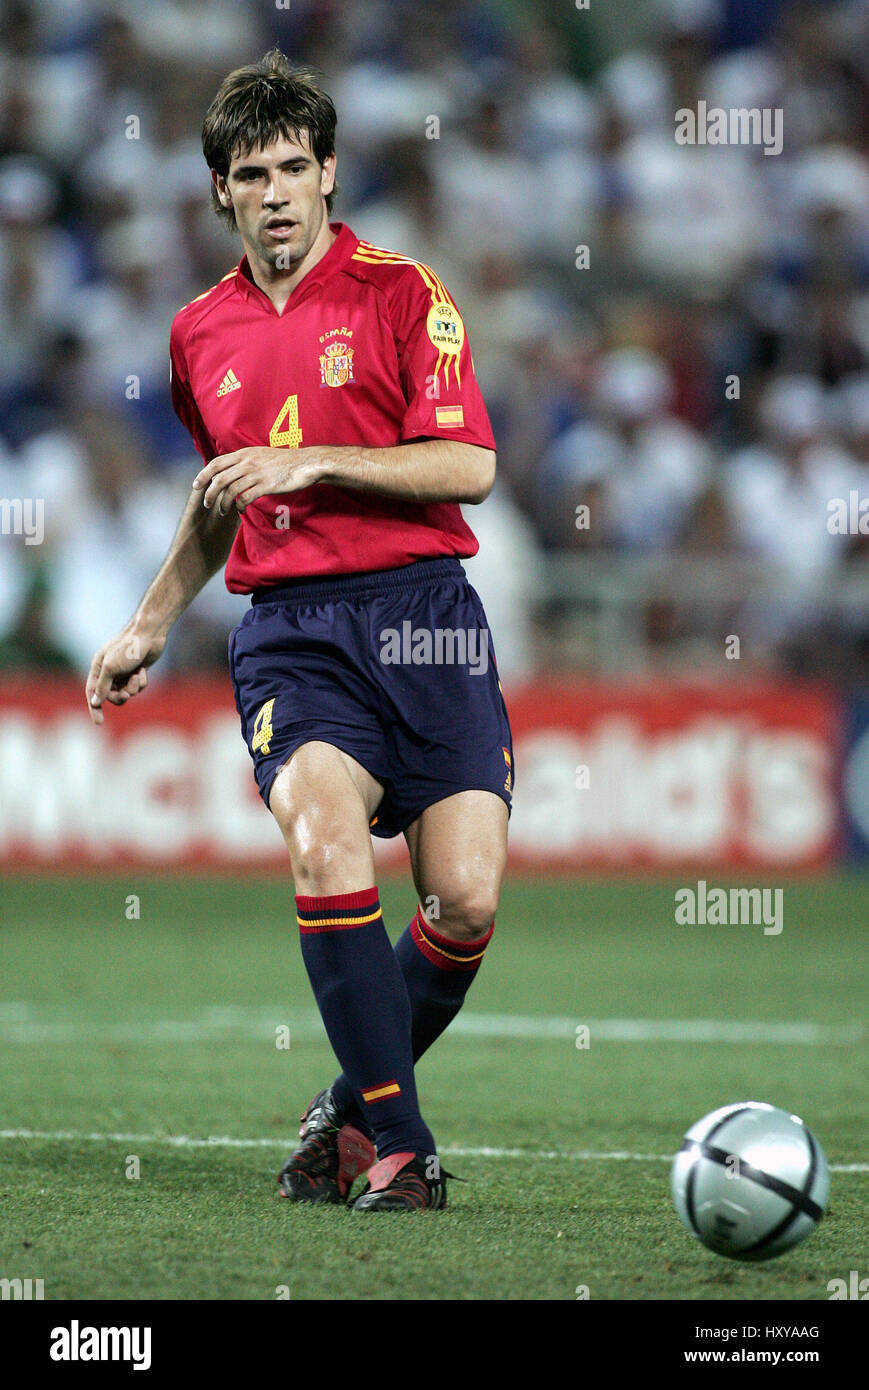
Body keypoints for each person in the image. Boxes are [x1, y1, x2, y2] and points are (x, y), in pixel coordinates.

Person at [85, 50, 513, 1213]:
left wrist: (316, 457)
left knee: (462, 902)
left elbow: (469, 464)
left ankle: (346, 1106)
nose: (273, 192)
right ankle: (404, 1148)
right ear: (219, 192)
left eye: (290, 167)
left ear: (328, 171)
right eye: (247, 174)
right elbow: (218, 499)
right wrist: (147, 624)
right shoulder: (197, 334)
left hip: (425, 617)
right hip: (293, 632)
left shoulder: (403, 292)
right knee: (324, 846)